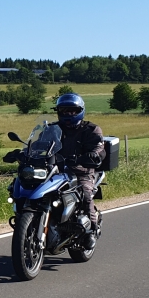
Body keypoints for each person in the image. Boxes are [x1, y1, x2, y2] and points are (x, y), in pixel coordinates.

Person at [53, 93, 105, 230]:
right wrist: (22, 153)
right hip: (54, 171)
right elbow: (39, 144)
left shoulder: (91, 130)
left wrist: (92, 155)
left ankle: (92, 228)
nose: (68, 114)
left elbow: (99, 147)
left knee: (85, 194)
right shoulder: (52, 129)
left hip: (81, 171)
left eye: (73, 110)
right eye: (64, 110)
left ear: (80, 111)